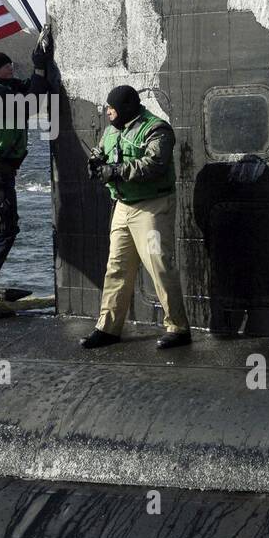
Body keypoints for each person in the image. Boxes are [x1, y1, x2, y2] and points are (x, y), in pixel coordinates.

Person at [80, 85, 191, 350]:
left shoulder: (157, 129)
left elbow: (154, 164)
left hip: (152, 207)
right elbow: (101, 151)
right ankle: (108, 328)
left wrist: (114, 171)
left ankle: (178, 326)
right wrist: (96, 162)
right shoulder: (111, 131)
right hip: (123, 206)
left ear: (126, 108)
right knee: (116, 267)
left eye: (112, 108)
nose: (108, 113)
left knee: (159, 264)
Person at [0, 25, 53, 319]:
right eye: (8, 66)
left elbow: (32, 90)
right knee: (4, 232)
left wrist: (39, 68)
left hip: (0, 171)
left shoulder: (1, 87)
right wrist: (39, 72)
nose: (12, 69)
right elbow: (29, 105)